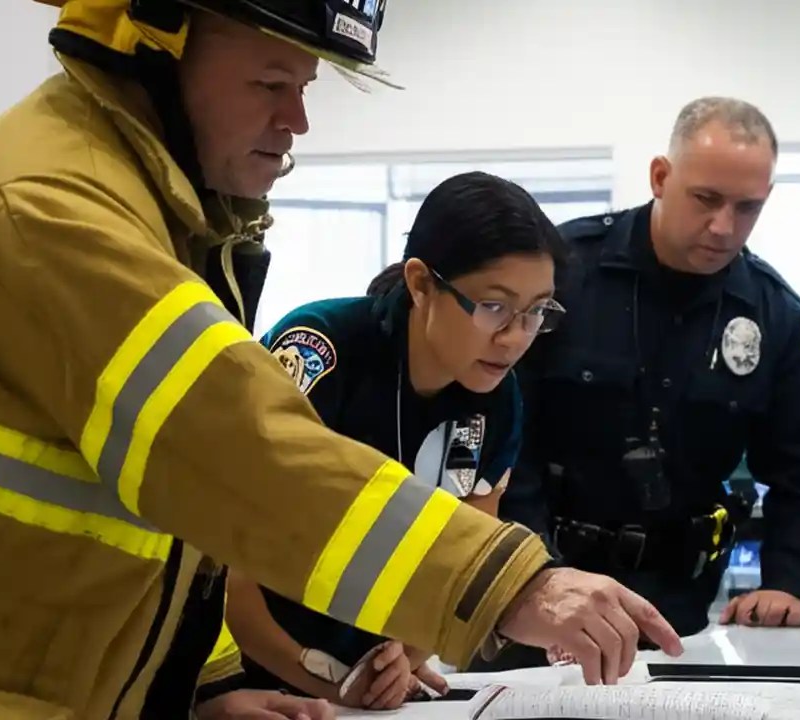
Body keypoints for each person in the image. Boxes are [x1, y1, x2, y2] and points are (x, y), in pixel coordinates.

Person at [0, 1, 680, 717]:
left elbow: (174, 535)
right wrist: (507, 583)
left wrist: (202, 686)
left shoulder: (149, 213)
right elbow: (237, 459)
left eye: (305, 88)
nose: (298, 121)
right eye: (269, 83)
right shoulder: (50, 208)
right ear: (155, 49)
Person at [502, 96, 800, 647]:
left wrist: (787, 583)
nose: (723, 227)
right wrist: (533, 574)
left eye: (747, 208)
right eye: (705, 199)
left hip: (676, 601)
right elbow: (505, 434)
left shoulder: (773, 313)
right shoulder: (562, 272)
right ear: (661, 176)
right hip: (543, 584)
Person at [229, 171, 569, 710]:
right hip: (247, 672)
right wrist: (329, 683)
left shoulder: (498, 399)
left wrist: (403, 660)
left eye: (536, 312)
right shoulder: (323, 350)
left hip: (366, 682)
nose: (514, 338)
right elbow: (225, 566)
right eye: (495, 307)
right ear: (420, 283)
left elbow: (467, 562)